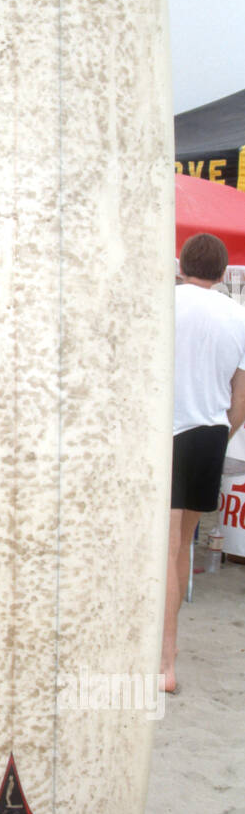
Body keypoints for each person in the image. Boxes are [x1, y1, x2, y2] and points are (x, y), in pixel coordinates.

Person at [162, 233, 245, 692]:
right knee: (183, 544)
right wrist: (220, 431)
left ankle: (164, 664)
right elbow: (241, 397)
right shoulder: (239, 315)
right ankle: (166, 658)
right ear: (220, 270)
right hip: (210, 434)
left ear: (185, 264)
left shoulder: (165, 305)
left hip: (166, 432)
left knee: (166, 546)